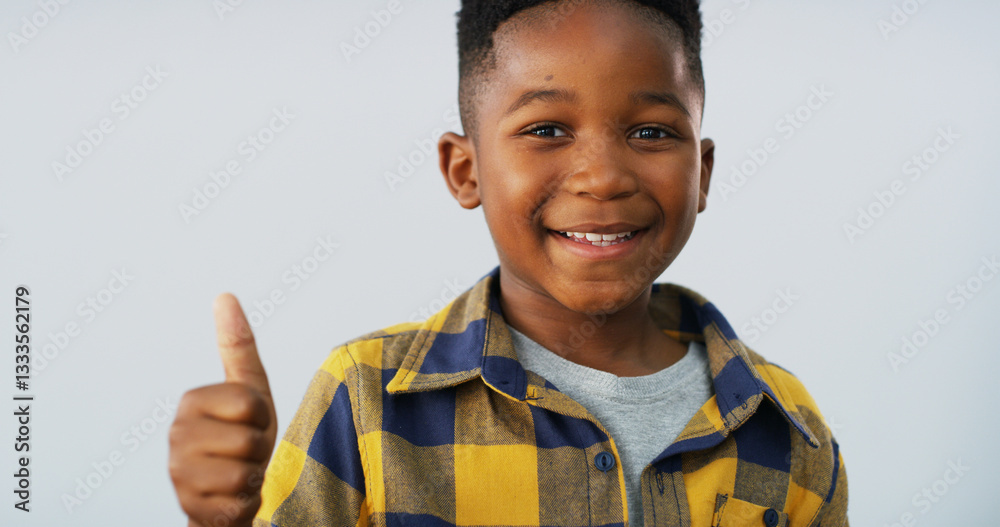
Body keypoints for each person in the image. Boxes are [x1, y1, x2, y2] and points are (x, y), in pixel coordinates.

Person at [168, 1, 848, 525]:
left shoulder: (786, 424)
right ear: (465, 170)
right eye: (546, 130)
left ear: (700, 172)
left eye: (650, 132)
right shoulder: (365, 402)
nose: (602, 176)